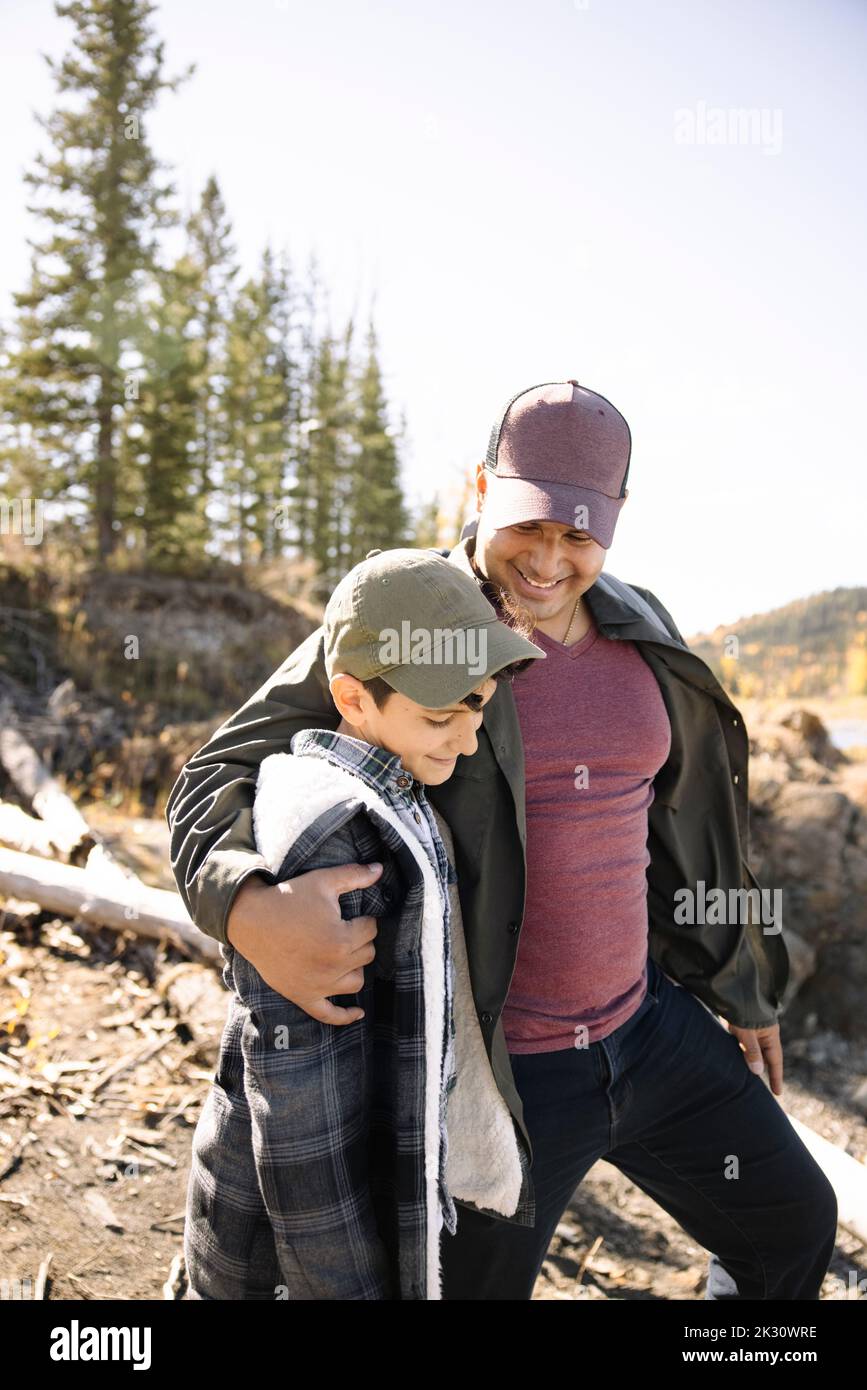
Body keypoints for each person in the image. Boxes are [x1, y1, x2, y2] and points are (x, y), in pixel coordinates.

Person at [167, 379, 838, 1301]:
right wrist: (246, 905)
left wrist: (742, 982)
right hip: (498, 1078)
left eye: (579, 535)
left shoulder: (645, 631)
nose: (549, 560)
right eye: (529, 525)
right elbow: (215, 776)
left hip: (646, 1030)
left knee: (789, 1233)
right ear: (482, 487)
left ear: (617, 519)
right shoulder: (417, 616)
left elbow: (693, 834)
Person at [182, 547, 545, 1300]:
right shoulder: (331, 839)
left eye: (478, 703)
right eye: (440, 714)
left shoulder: (404, 784)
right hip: (300, 1239)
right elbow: (298, 1119)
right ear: (349, 697)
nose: (469, 736)